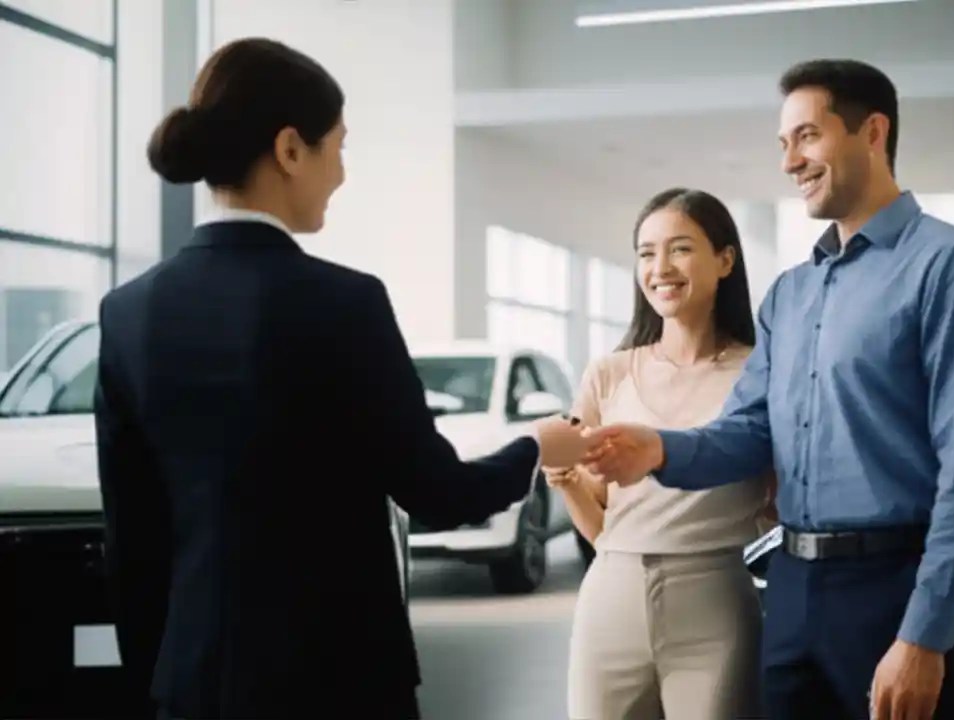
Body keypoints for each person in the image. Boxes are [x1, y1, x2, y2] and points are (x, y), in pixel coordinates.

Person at [94, 38, 588, 720]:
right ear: (291, 149)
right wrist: (536, 447)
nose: (342, 173)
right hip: (340, 678)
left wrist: (163, 681)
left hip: (195, 681)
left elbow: (133, 541)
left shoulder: (128, 313)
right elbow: (438, 494)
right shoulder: (344, 302)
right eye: (339, 148)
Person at [583, 59, 954, 720]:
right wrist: (657, 450)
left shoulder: (950, 267)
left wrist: (925, 633)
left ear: (872, 132)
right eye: (783, 144)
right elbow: (750, 433)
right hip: (792, 589)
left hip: (892, 590)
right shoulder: (792, 293)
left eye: (807, 136)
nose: (790, 161)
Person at [548, 188, 774, 720]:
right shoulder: (609, 372)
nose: (660, 268)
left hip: (715, 601)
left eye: (679, 249)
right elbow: (602, 528)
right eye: (646, 253)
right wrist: (566, 480)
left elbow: (777, 497)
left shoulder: (760, 371)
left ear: (724, 259)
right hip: (611, 600)